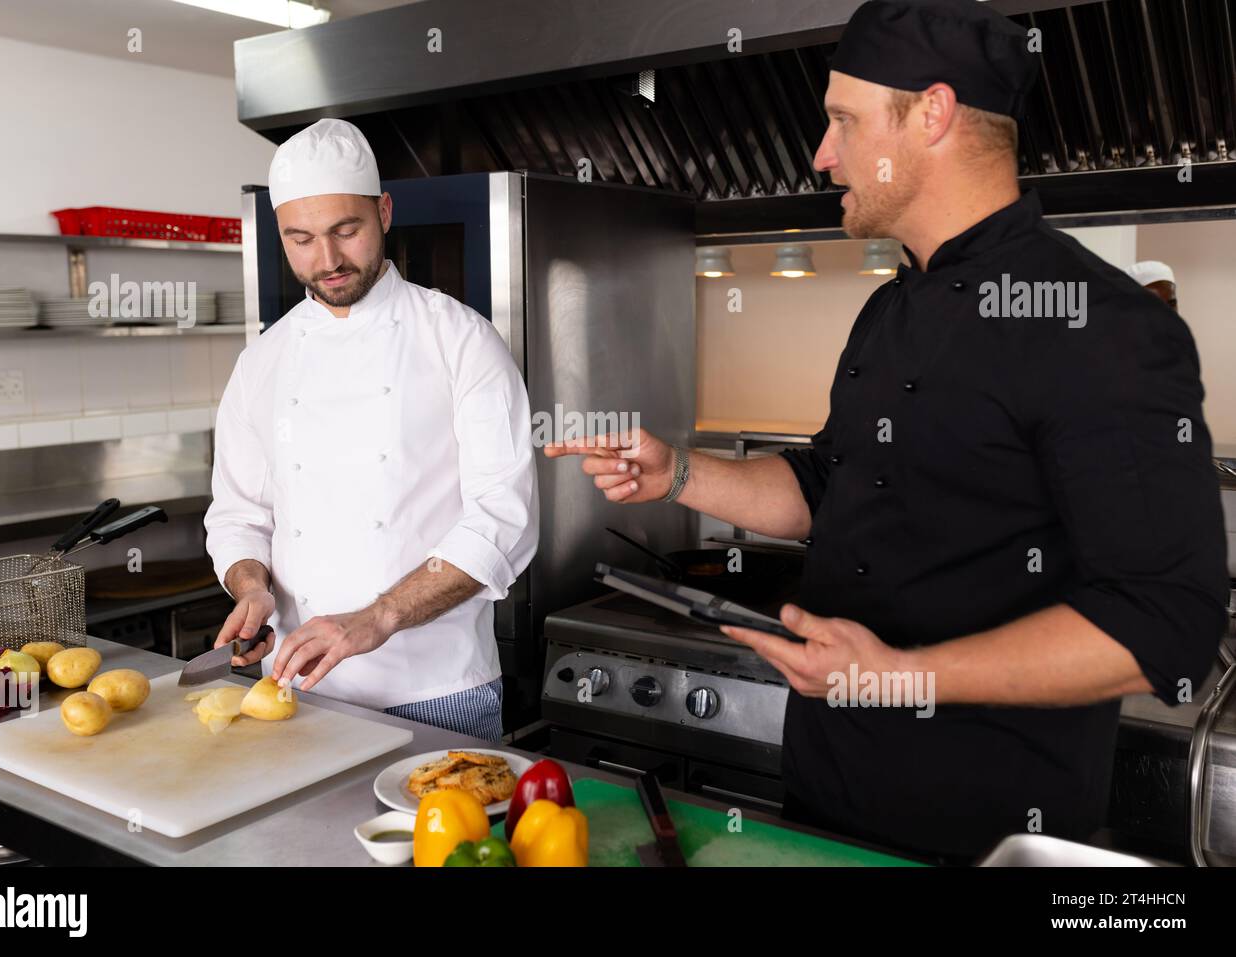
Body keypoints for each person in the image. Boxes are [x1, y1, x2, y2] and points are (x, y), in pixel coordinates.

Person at [546, 0, 1227, 859]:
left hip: (985, 827)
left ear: (932, 112)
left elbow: (1167, 626)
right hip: (828, 791)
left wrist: (895, 676)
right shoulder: (887, 309)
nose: (821, 152)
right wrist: (677, 473)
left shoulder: (1102, 323)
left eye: (841, 120)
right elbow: (824, 487)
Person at [204, 119, 538, 741]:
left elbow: (504, 517)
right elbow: (239, 514)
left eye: (345, 231)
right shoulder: (262, 361)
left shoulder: (459, 339)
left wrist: (377, 618)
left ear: (384, 212)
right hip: (296, 687)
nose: (326, 260)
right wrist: (250, 587)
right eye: (300, 239)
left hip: (435, 690)